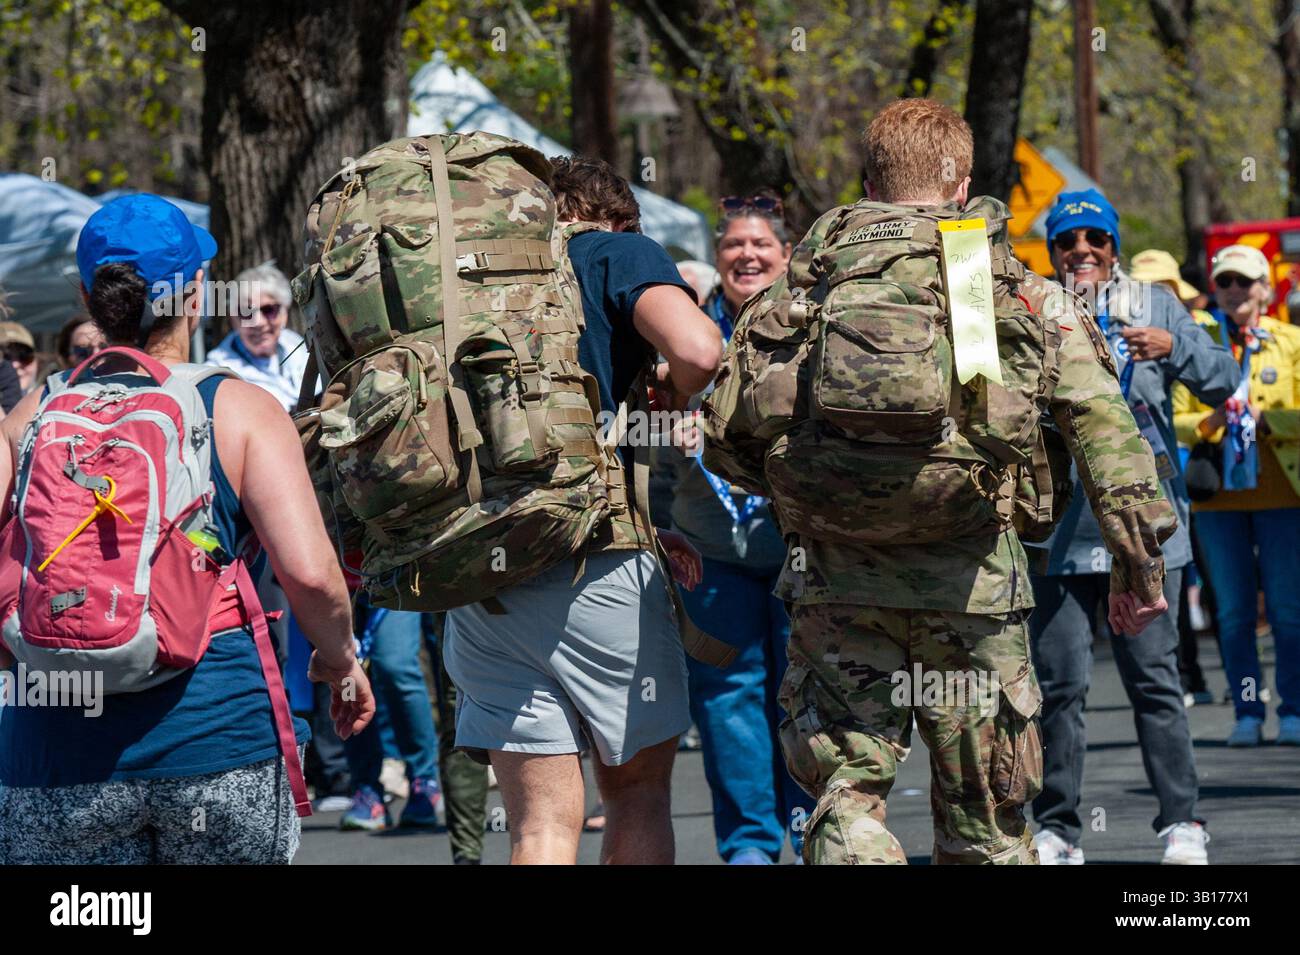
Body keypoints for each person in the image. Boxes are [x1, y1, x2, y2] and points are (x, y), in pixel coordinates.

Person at [704, 97, 1178, 864]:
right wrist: (1137, 568)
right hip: (975, 593)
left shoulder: (801, 296)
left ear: (868, 182)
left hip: (836, 590)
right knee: (987, 823)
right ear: (962, 185)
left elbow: (726, 441)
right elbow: (1109, 438)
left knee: (846, 800)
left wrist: (815, 493)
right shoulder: (1011, 291)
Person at [0, 194, 374, 863]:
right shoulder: (242, 409)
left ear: (89, 295)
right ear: (195, 292)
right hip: (215, 741)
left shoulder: (29, 415)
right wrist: (341, 661)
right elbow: (311, 575)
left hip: (53, 757)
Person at [442, 156, 722, 865]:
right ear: (620, 218)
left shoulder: (467, 274)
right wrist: (668, 380)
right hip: (597, 566)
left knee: (538, 826)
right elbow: (700, 349)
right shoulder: (615, 252)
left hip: (480, 572)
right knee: (635, 795)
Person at [1027, 194, 1238, 866]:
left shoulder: (1155, 304)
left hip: (1146, 532)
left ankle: (1181, 822)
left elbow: (1223, 381)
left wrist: (1175, 348)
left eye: (1096, 238)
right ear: (1054, 251)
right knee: (1060, 685)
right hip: (1059, 530)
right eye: (1068, 241)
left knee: (1154, 681)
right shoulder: (1030, 307)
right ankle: (1058, 826)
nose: (1082, 250)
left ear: (1114, 246)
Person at [652, 194, 814, 865]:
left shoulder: (814, 325)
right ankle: (749, 845)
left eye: (761, 246)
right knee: (727, 703)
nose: (747, 255)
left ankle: (812, 825)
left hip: (799, 549)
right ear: (718, 258)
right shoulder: (683, 334)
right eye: (734, 246)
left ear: (785, 256)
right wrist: (662, 519)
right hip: (709, 552)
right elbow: (645, 441)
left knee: (804, 696)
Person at [1173, 244, 1300, 747]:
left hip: (1282, 499)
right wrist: (1212, 422)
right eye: (1224, 282)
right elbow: (1176, 418)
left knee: (1289, 610)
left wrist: (1268, 420)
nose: (1233, 291)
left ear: (1265, 290)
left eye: (1244, 282)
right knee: (1234, 613)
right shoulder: (1199, 339)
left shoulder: (1291, 342)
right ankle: (1247, 709)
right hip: (1218, 503)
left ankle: (1292, 708)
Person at [338, 599, 445, 833]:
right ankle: (366, 787)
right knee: (345, 676)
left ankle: (423, 780)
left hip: (389, 572)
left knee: (394, 665)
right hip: (337, 582)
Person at [205, 262, 309, 413]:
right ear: (233, 318)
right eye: (247, 312)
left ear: (284, 312)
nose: (259, 322)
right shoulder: (216, 376)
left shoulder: (303, 349)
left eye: (269, 310)